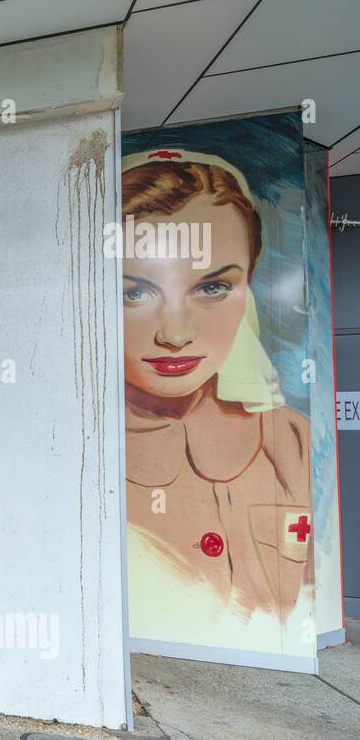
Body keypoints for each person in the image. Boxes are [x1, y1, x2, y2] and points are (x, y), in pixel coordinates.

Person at [122, 150, 312, 630]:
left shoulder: (293, 443)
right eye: (134, 293)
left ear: (247, 286)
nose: (175, 334)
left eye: (211, 289)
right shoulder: (65, 451)